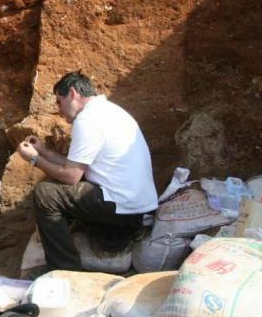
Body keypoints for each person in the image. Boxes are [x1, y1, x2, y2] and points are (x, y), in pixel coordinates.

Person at [17, 72, 158, 270]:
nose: (59, 110)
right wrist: (44, 152)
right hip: (136, 207)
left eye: (59, 101)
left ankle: (63, 268)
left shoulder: (87, 120)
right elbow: (76, 166)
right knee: (67, 189)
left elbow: (71, 176)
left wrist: (33, 159)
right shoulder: (107, 111)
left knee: (45, 193)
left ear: (73, 93)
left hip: (123, 209)